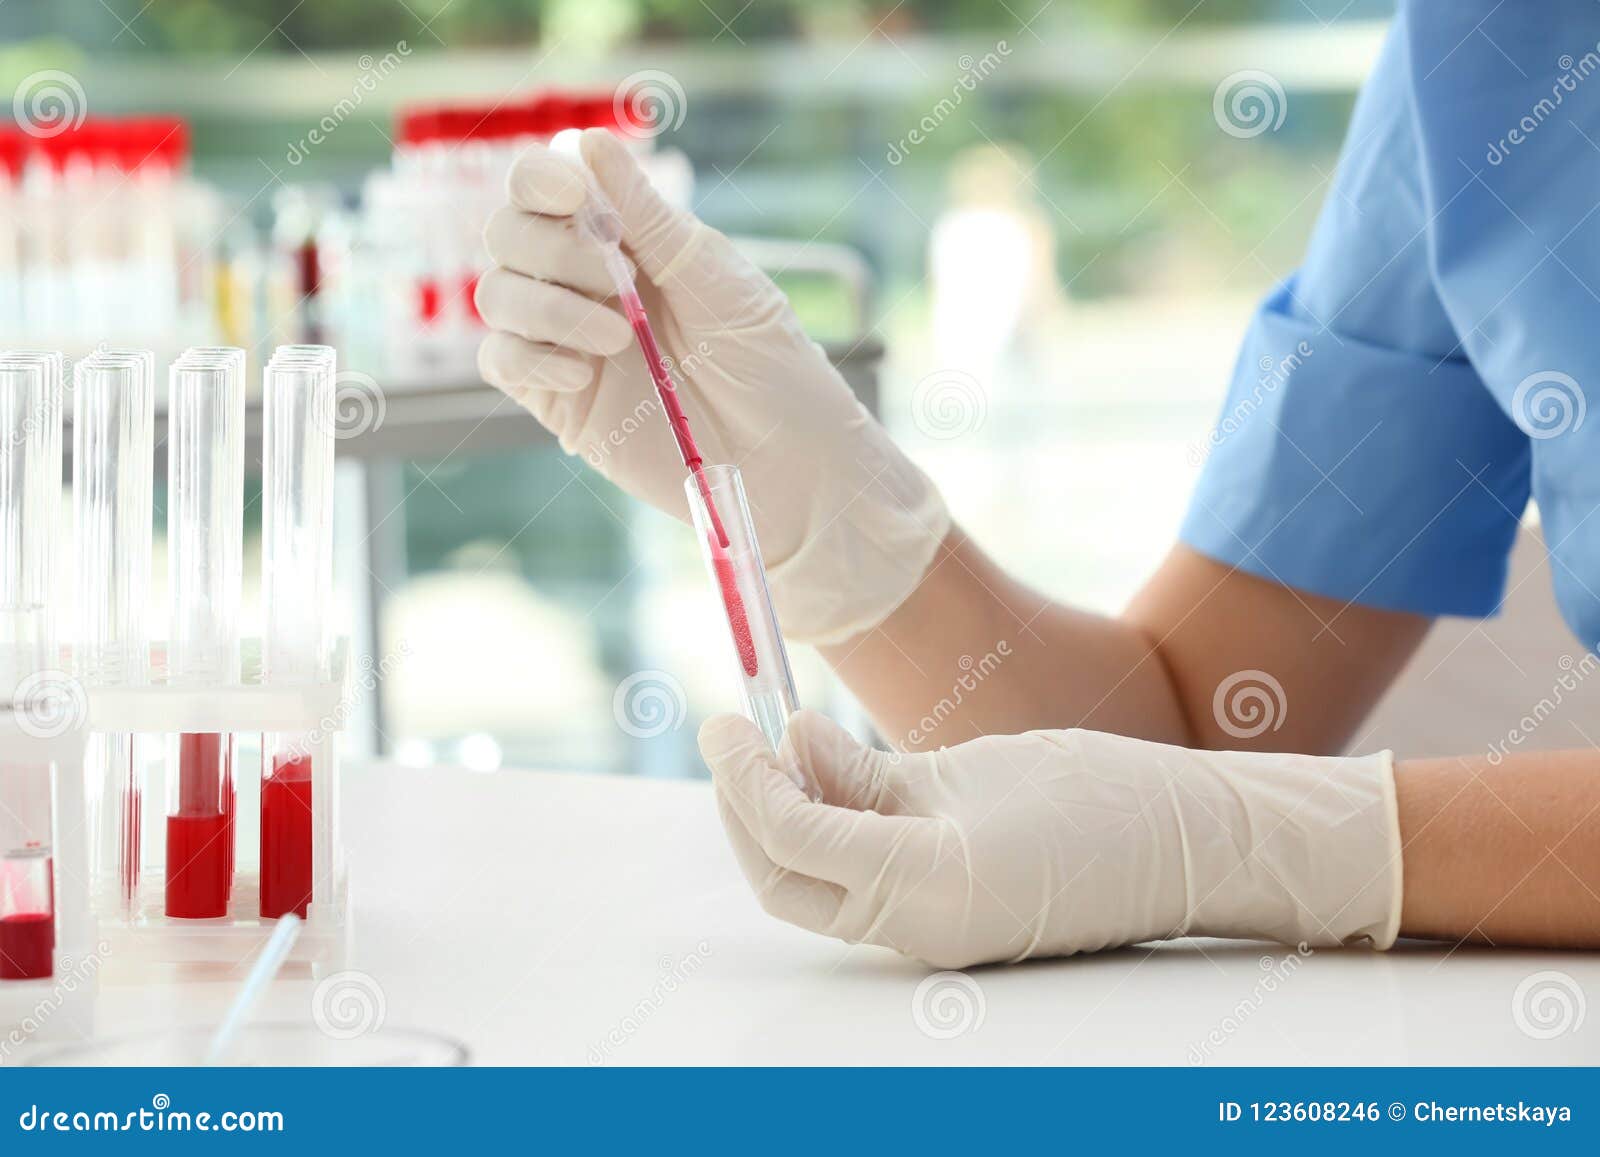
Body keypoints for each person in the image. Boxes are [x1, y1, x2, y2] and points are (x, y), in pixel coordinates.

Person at [474, 3, 1600, 968]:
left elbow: (1198, 812)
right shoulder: (1488, 57)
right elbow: (1194, 742)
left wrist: (1247, 842)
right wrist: (836, 530)